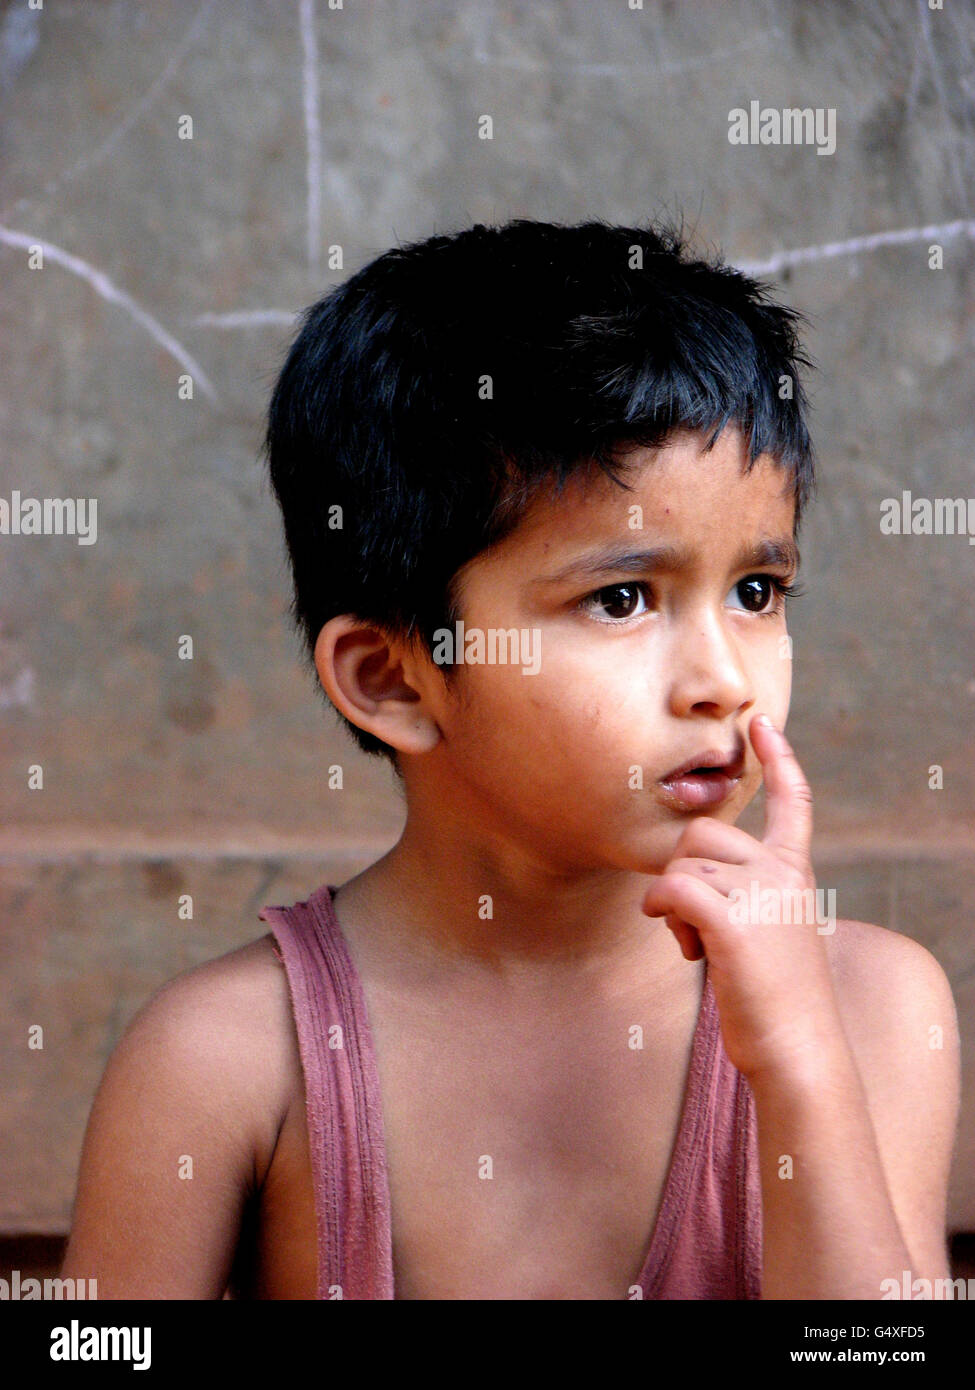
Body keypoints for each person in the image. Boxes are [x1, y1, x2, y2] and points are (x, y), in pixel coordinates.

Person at [61, 217, 959, 1299]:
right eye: (621, 598)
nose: (724, 679)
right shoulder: (228, 1061)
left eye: (757, 591)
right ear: (397, 677)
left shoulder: (869, 1007)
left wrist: (804, 1072)